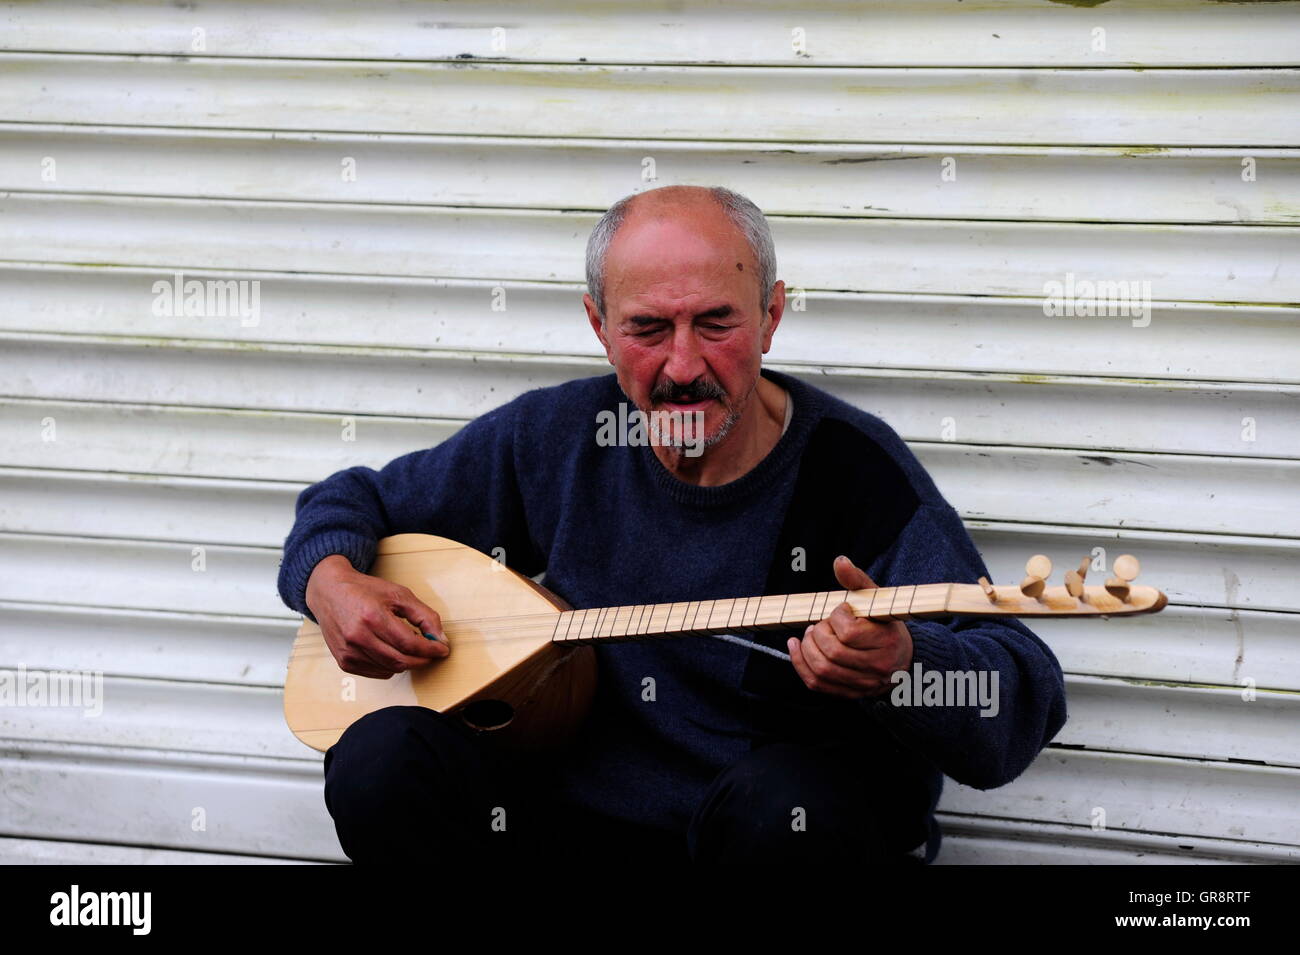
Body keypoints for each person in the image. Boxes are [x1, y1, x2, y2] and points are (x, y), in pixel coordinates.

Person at [276, 184, 1068, 865]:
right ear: (598, 324)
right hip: (564, 832)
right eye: (648, 329)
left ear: (772, 316)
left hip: (750, 839)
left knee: (792, 809)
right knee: (382, 758)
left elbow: (1017, 695)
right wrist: (333, 581)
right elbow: (347, 501)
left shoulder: (853, 473)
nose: (683, 366)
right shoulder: (556, 437)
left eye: (716, 324)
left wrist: (900, 663)